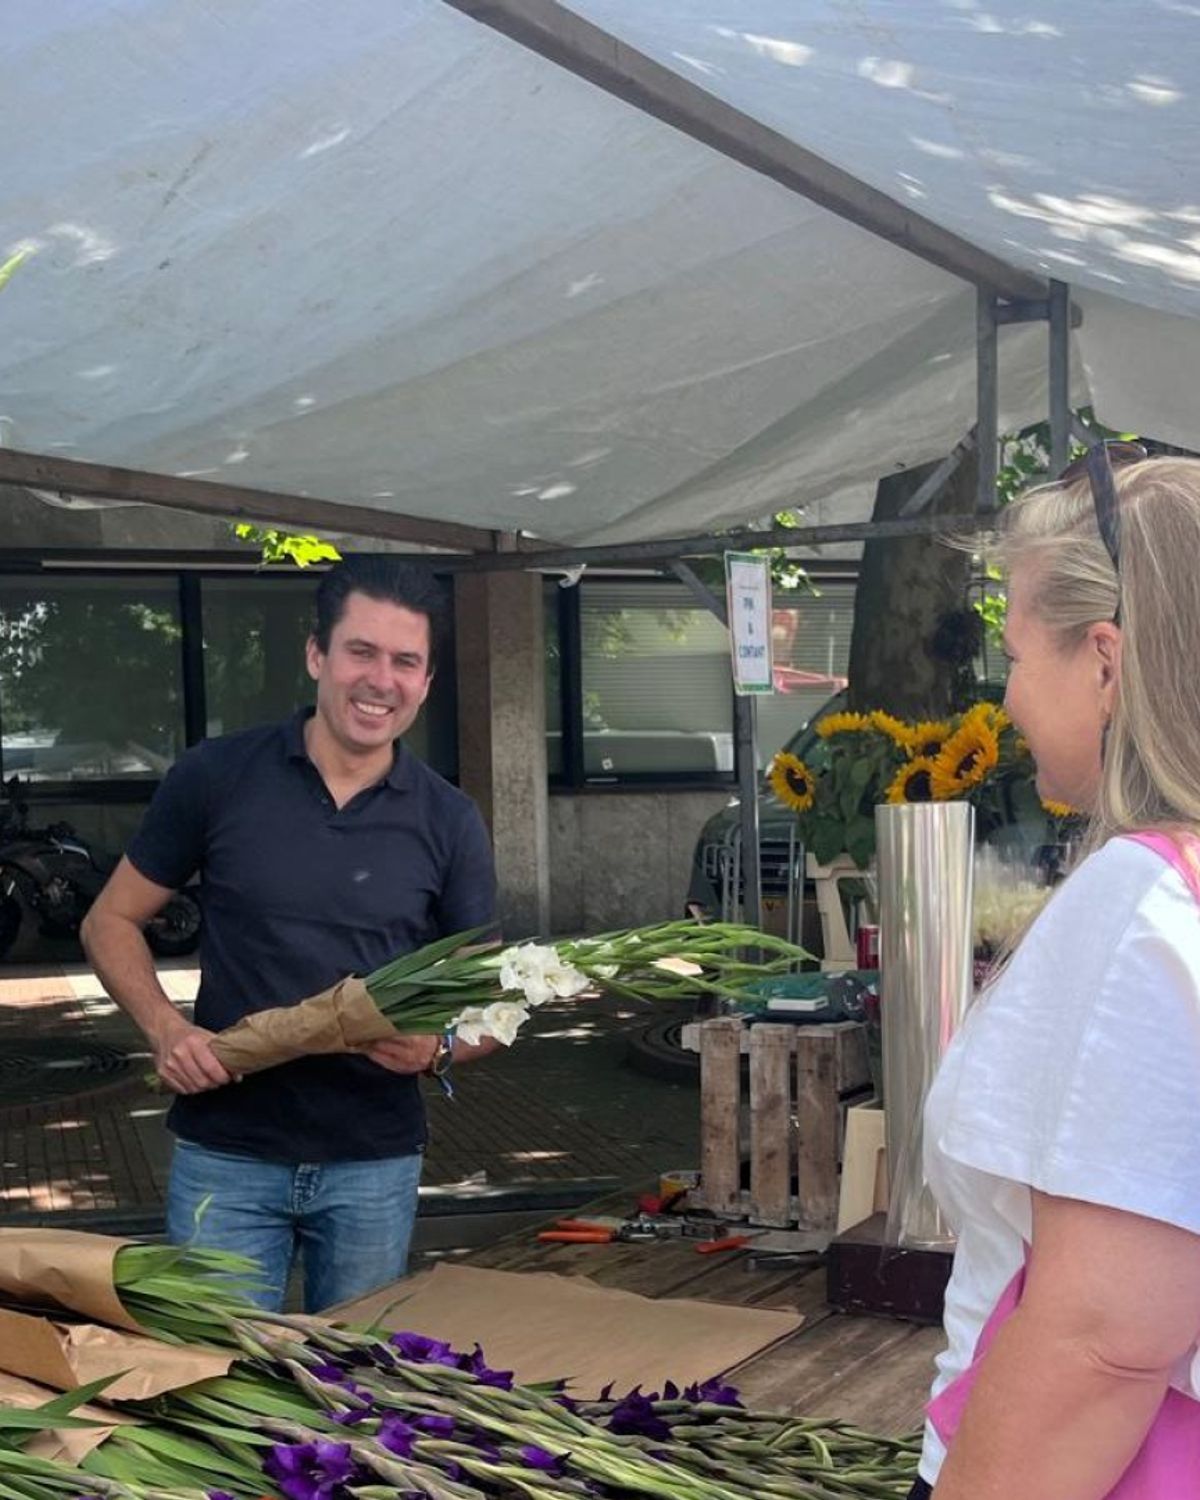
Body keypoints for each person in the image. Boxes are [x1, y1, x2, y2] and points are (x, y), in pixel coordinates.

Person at [81, 557, 497, 1312]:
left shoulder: (449, 820)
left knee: (359, 1391)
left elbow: (498, 998)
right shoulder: (218, 775)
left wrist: (440, 1048)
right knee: (215, 1383)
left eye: (406, 661)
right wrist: (165, 1028)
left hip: (374, 1159)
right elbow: (110, 919)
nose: (381, 680)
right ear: (317, 655)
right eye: (361, 652)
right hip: (227, 1151)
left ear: (427, 682)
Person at [913, 451, 1200, 1498]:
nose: (1009, 699)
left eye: (1020, 655)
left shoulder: (1146, 904)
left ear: (1109, 662)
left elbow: (1101, 1344)